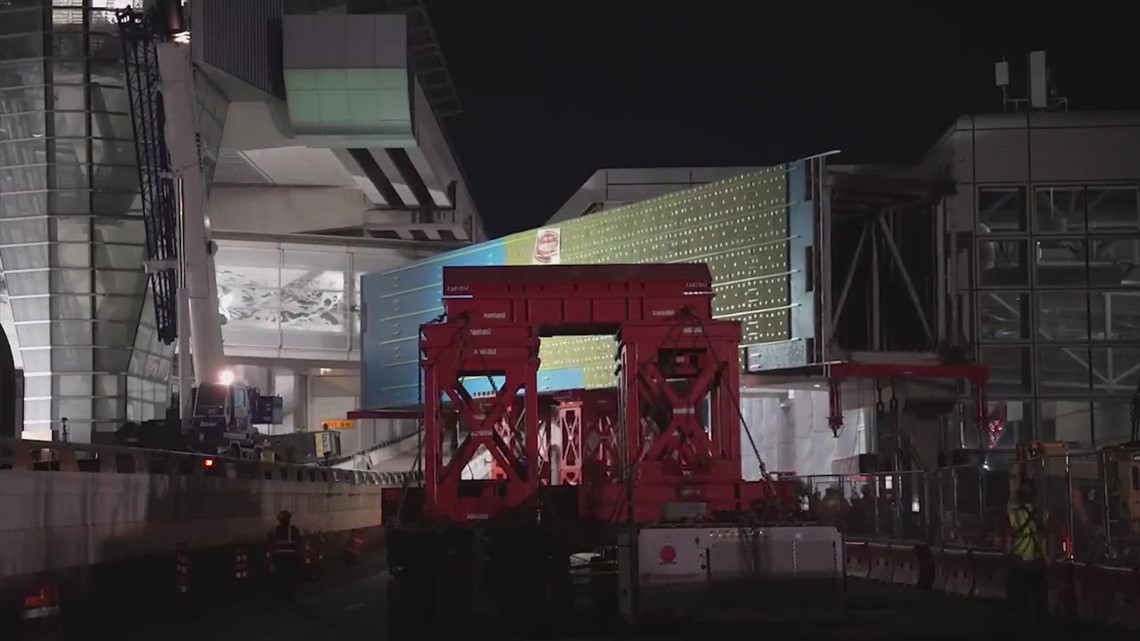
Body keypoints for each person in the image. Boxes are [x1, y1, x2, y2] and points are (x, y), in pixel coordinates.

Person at [1005, 479, 1049, 621]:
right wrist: (1049, 558)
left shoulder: (1013, 515)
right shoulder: (1043, 514)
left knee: (1019, 602)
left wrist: (1008, 556)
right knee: (1040, 601)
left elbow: (1008, 541)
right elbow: (1051, 535)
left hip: (1019, 563)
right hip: (1038, 561)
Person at [270, 510, 302, 604]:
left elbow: (271, 545)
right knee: (290, 579)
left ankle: (285, 598)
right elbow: (297, 544)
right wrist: (299, 557)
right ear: (288, 519)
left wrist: (273, 559)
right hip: (291, 558)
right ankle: (289, 598)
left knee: (283, 579)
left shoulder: (274, 530)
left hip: (280, 559)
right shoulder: (293, 530)